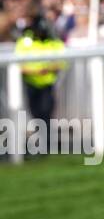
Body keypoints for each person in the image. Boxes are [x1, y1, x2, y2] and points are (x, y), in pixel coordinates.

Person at [13, 16, 66, 156]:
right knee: (37, 114)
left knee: (46, 113)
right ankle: (42, 143)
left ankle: (47, 144)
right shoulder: (25, 42)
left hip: (47, 84)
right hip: (31, 83)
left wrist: (49, 69)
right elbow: (18, 64)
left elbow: (63, 59)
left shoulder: (52, 42)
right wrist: (35, 71)